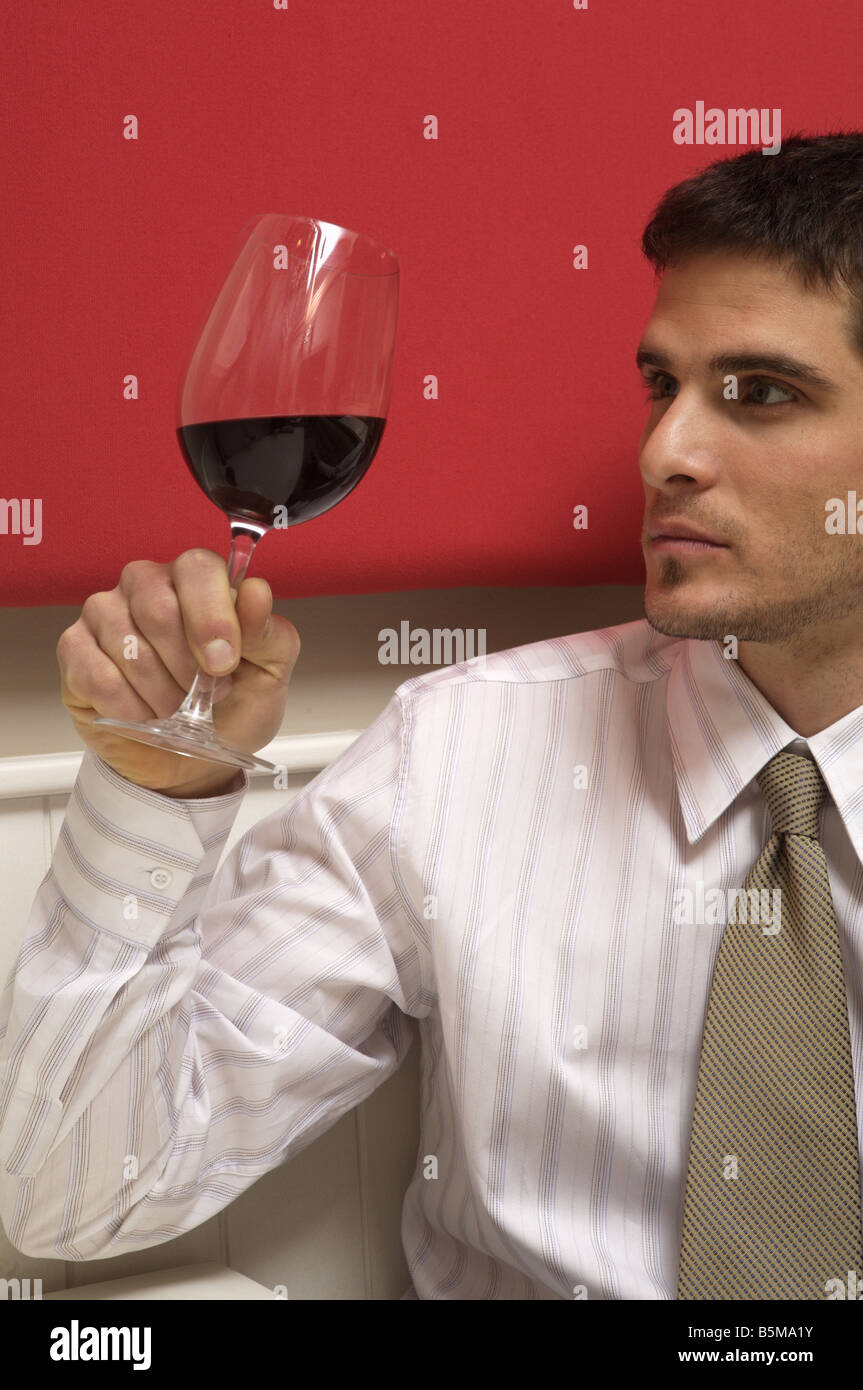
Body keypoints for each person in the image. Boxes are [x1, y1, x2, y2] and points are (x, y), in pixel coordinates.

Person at [2, 130, 863, 1301]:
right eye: (661, 385)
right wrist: (158, 788)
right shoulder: (456, 758)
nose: (663, 451)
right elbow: (67, 1190)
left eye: (758, 393)